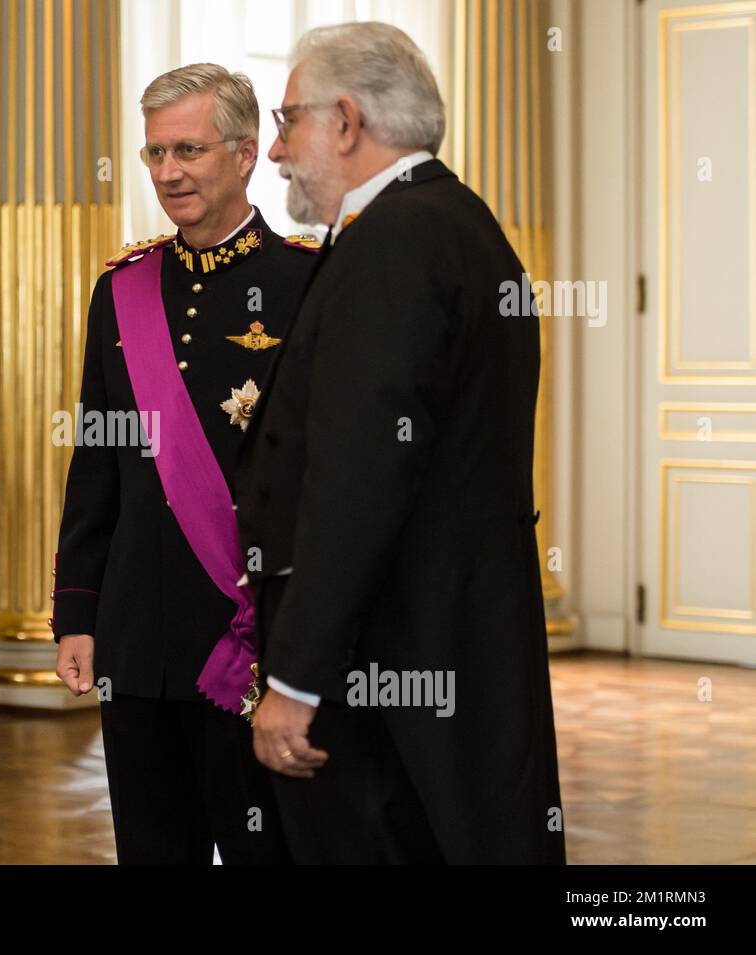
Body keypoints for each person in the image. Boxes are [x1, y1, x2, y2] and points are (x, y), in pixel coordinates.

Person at [235, 23, 565, 864]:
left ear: (345, 121)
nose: (274, 152)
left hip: (383, 660)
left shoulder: (395, 244)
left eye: (287, 121)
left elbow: (358, 480)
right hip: (453, 637)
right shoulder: (458, 222)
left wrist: (297, 678)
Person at [52, 64, 318, 864]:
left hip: (248, 639)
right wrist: (77, 610)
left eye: (189, 150)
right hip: (135, 636)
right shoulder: (122, 290)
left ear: (244, 155)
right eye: (155, 153)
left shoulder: (307, 281)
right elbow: (95, 462)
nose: (168, 172)